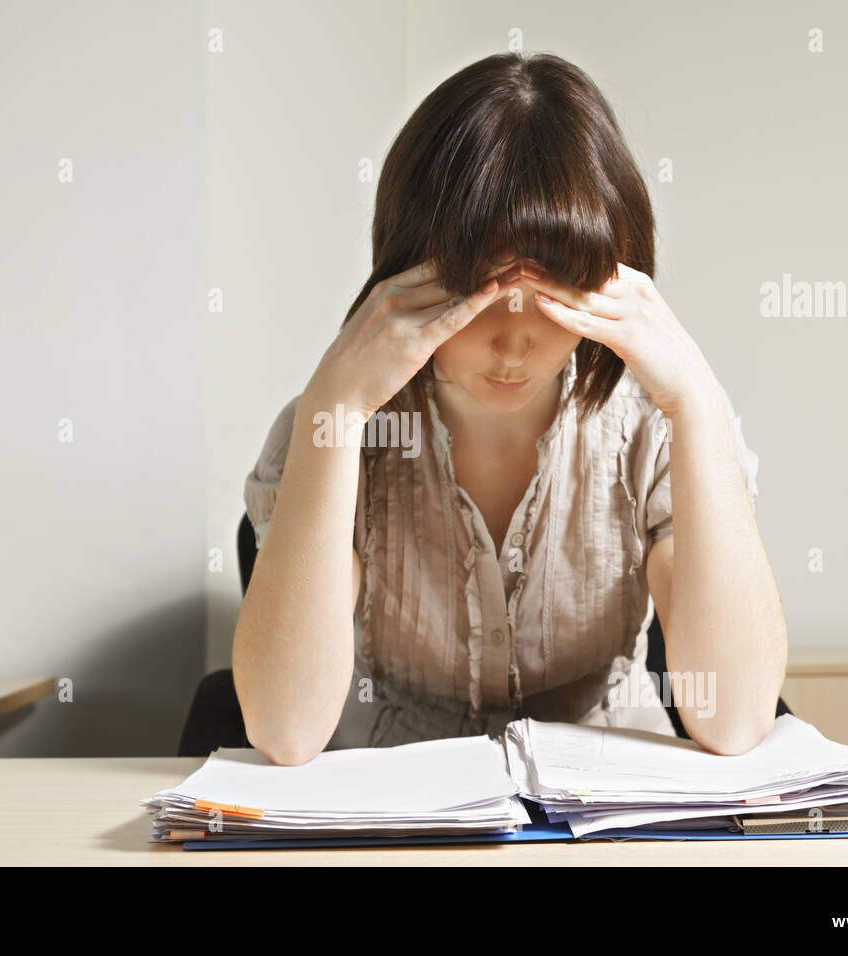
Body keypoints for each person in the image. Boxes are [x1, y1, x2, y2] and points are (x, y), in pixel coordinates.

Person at [233, 51, 788, 766]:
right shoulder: (335, 429)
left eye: (557, 291)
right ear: (406, 277)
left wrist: (696, 401)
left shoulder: (654, 427)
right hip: (403, 805)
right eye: (478, 290)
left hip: (611, 800)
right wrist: (333, 404)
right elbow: (285, 730)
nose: (515, 341)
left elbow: (735, 720)